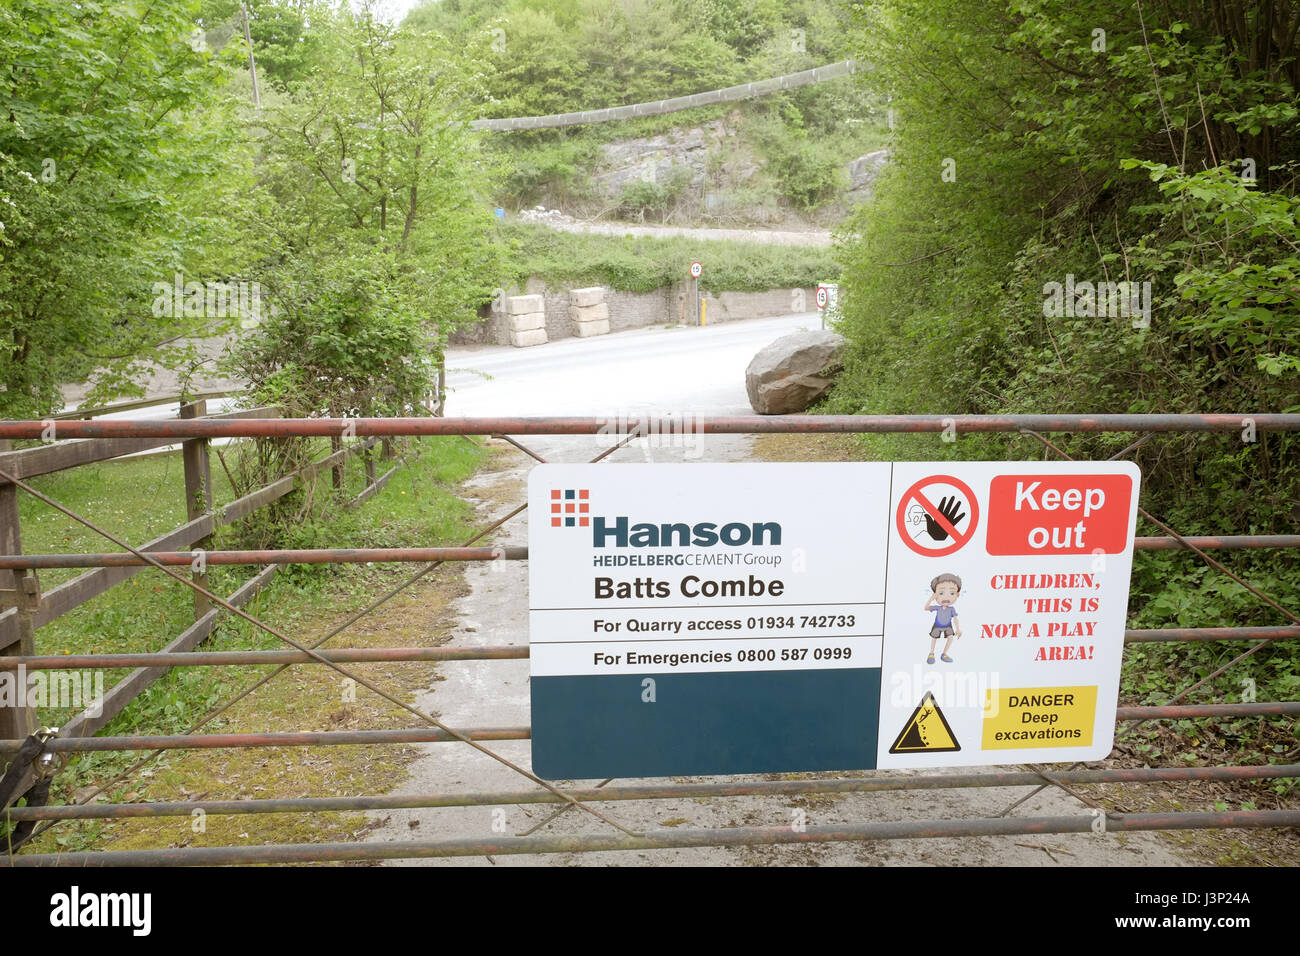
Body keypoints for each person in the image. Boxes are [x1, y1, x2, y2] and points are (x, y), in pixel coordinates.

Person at [924, 572, 962, 664]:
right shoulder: (938, 607)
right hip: (937, 625)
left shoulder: (951, 609)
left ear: (957, 595)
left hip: (948, 626)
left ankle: (944, 654)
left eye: (952, 593)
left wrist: (958, 629)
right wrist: (931, 599)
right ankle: (931, 653)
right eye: (941, 593)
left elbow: (955, 618)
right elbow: (926, 608)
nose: (946, 597)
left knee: (950, 637)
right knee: (934, 638)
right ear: (935, 594)